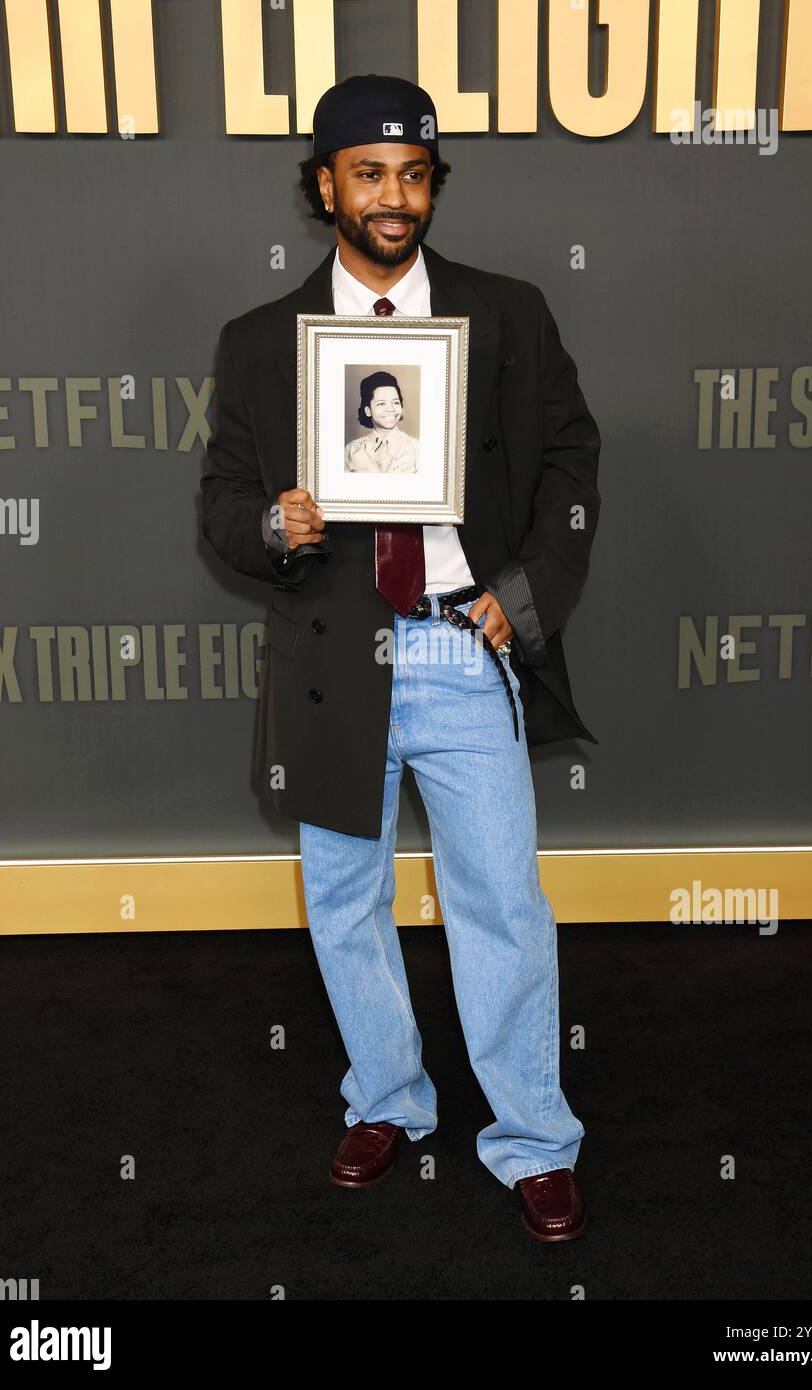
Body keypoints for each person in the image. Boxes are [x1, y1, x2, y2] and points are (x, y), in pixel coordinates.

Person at [200, 73, 602, 1242]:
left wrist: (518, 595)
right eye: (368, 174)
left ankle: (530, 1138)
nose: (393, 198)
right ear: (324, 183)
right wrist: (275, 523)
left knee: (502, 905)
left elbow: (571, 467)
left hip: (459, 649)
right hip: (334, 659)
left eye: (414, 175)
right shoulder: (260, 342)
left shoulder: (509, 314)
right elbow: (222, 507)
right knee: (342, 899)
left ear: (431, 187)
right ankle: (385, 1096)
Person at [345, 372, 419, 472]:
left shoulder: (417, 448)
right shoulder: (352, 450)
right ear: (368, 411)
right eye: (381, 404)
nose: (391, 409)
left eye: (396, 402)